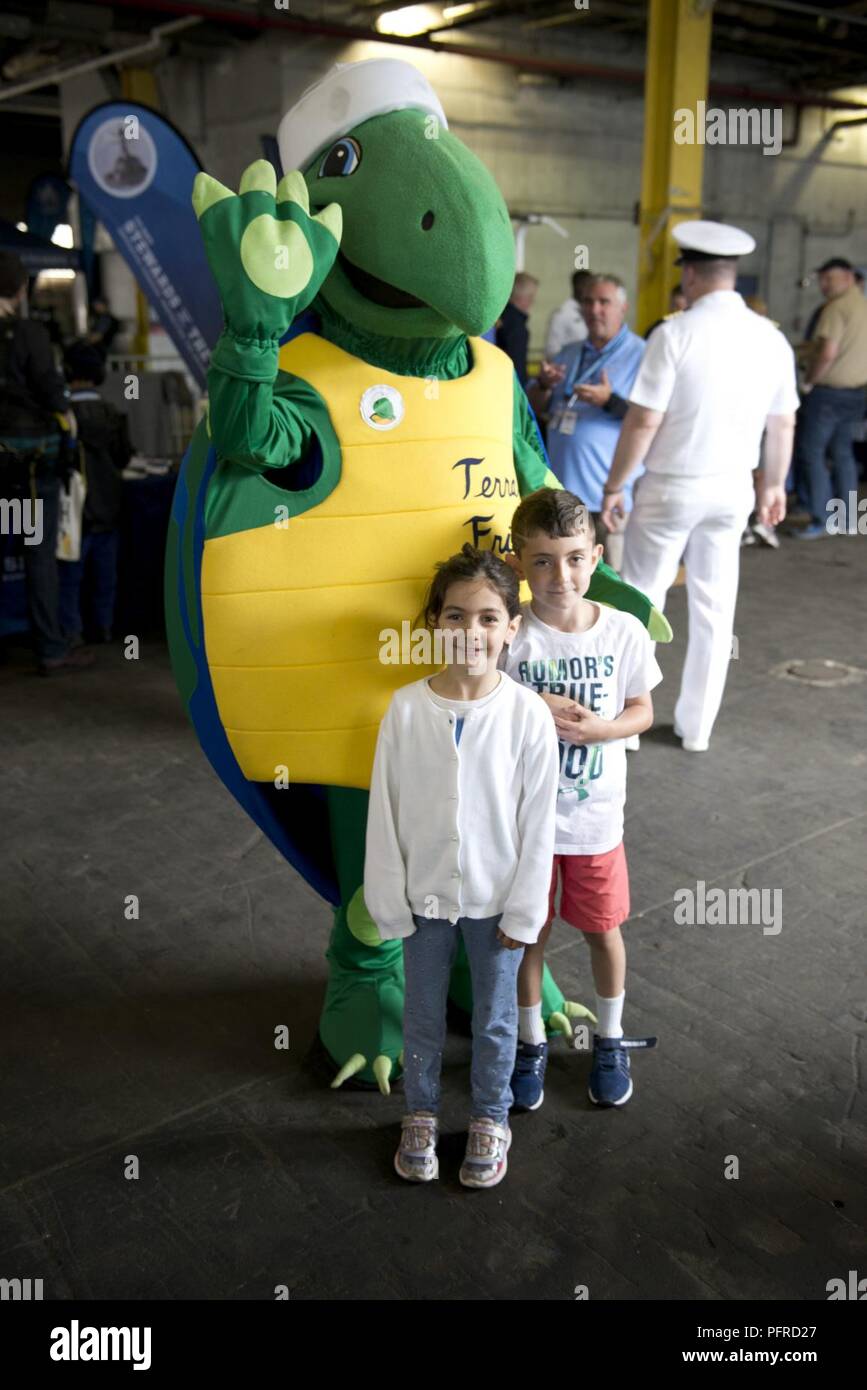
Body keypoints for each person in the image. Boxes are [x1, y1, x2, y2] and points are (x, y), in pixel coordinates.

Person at [364, 544, 559, 1188]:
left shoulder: (528, 715)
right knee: (420, 1015)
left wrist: (527, 909)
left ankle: (489, 1116)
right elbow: (384, 812)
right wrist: (388, 901)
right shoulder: (405, 709)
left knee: (496, 1018)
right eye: (455, 616)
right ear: (434, 623)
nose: (470, 633)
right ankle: (419, 1112)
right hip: (423, 901)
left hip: (499, 902)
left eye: (486, 619)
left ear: (511, 627)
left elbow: (539, 822)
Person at [601, 220, 798, 753]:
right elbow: (782, 424)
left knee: (644, 598)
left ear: (689, 275)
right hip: (732, 489)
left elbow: (643, 422)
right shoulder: (772, 339)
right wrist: (773, 486)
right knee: (715, 606)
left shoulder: (675, 334)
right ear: (731, 276)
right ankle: (696, 729)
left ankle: (628, 726)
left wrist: (615, 485)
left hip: (670, 486)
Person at [500, 488, 660, 1110]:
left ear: (595, 556)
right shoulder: (512, 636)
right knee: (526, 936)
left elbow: (643, 711)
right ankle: (529, 1041)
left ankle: (611, 1037)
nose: (558, 575)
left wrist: (603, 729)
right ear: (517, 564)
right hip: (527, 825)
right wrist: (532, 704)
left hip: (595, 823)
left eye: (571, 558)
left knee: (604, 931)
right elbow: (483, 703)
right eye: (541, 560)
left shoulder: (622, 631)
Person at [0, 251, 93, 674]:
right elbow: (49, 385)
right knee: (37, 552)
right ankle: (50, 647)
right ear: (19, 289)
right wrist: (65, 413)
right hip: (30, 461)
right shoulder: (28, 334)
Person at [527, 274, 644, 570]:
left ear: (623, 307)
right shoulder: (569, 352)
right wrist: (543, 384)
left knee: (614, 582)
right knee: (567, 578)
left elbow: (653, 420)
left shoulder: (641, 355)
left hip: (608, 494)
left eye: (604, 302)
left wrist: (610, 401)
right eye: (588, 302)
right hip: (562, 494)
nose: (595, 310)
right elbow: (534, 409)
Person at [58, 341, 132, 644]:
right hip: (109, 509)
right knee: (106, 579)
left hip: (74, 514)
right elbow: (123, 458)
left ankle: (71, 633)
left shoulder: (63, 418)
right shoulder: (113, 414)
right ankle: (103, 628)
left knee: (69, 580)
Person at [795, 257, 867, 539]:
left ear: (848, 278)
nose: (824, 285)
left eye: (830, 279)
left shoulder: (836, 308)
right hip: (856, 394)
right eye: (823, 279)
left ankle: (821, 516)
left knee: (811, 452)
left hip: (828, 394)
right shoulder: (863, 305)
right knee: (843, 454)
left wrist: (809, 381)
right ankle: (848, 518)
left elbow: (826, 353)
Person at [495, 272, 538, 387]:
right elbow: (517, 365)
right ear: (523, 297)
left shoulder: (498, 316)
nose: (532, 302)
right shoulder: (517, 326)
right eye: (531, 297)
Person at [544, 269, 591, 359]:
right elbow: (551, 350)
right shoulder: (561, 314)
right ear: (577, 286)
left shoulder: (590, 312)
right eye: (587, 286)